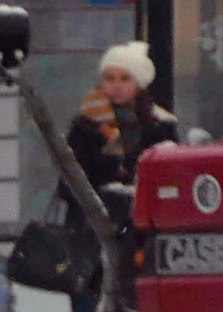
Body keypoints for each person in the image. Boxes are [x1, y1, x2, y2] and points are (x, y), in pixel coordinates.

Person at [66, 41, 180, 206]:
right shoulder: (86, 124)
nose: (116, 86)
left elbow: (170, 180)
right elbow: (70, 181)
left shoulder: (161, 124)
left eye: (125, 79)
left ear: (138, 83)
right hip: (94, 221)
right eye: (109, 78)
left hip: (144, 217)